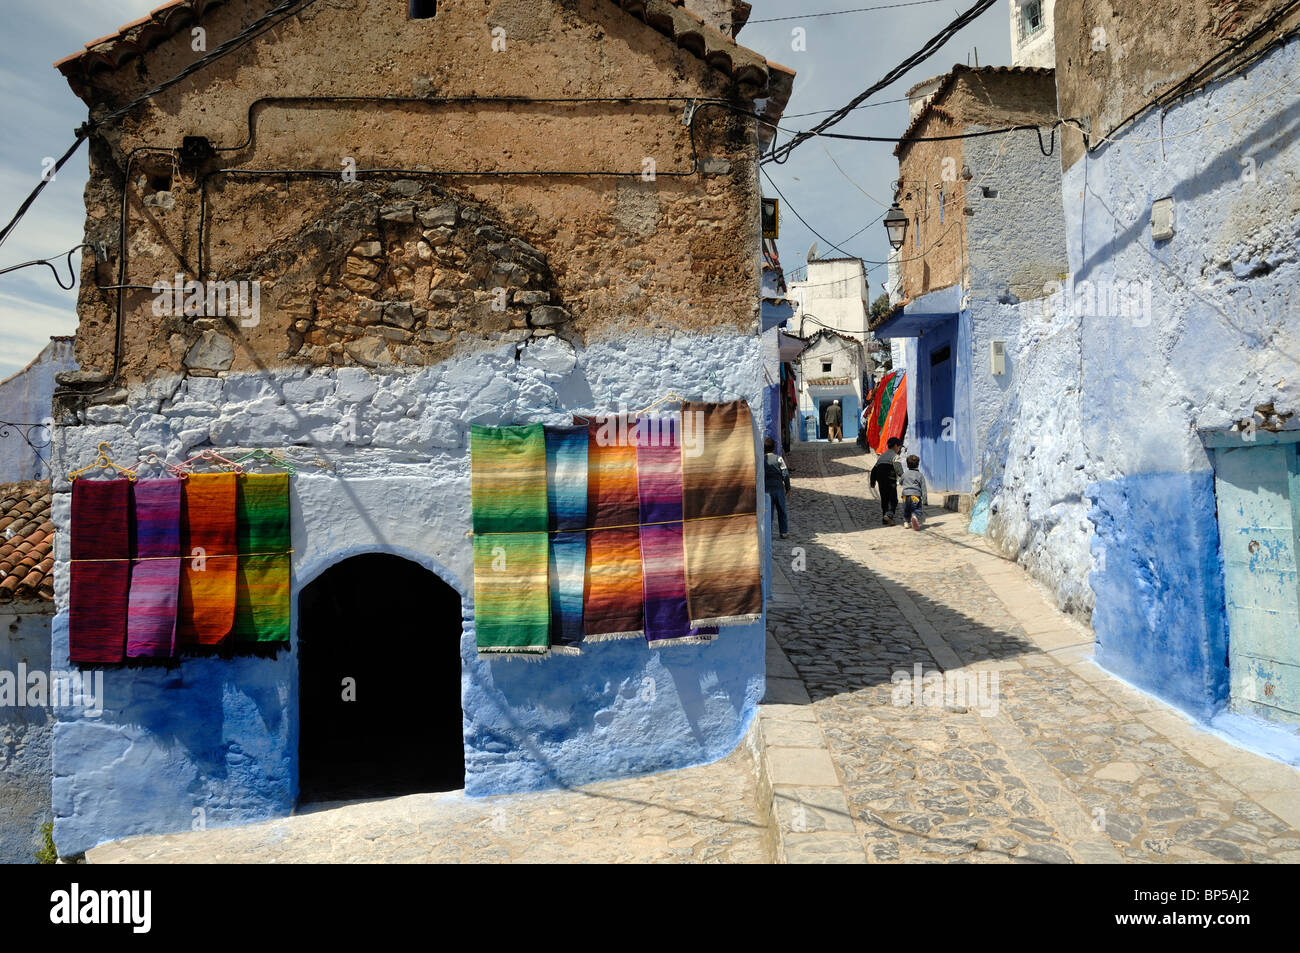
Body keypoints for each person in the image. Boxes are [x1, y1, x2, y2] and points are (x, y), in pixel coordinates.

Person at [869, 437, 904, 525]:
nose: (899, 450)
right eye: (899, 447)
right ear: (896, 446)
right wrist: (904, 478)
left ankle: (885, 517)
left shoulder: (882, 456)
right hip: (890, 480)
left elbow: (874, 469)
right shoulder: (895, 456)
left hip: (880, 480)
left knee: (884, 499)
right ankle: (889, 515)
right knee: (893, 500)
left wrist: (872, 481)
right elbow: (898, 469)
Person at [764, 436, 791, 539]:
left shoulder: (761, 460)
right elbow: (785, 474)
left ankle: (768, 532)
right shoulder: (779, 459)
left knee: (768, 512)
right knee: (782, 510)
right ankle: (783, 532)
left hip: (767, 490)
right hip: (779, 489)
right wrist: (788, 488)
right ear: (774, 448)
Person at [900, 453, 927, 531]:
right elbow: (924, 488)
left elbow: (901, 482)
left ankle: (906, 522)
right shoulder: (920, 475)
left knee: (906, 509)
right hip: (915, 496)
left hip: (905, 495)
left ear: (907, 465)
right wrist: (925, 500)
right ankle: (914, 516)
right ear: (918, 465)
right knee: (917, 509)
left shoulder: (905, 474)